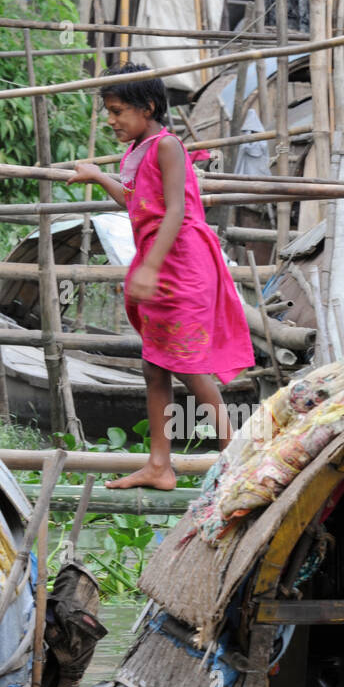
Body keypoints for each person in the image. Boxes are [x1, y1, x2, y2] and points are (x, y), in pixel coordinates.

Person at [66, 64, 254, 490]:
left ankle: (237, 457)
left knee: (187, 366)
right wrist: (99, 176)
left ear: (147, 106)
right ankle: (159, 464)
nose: (111, 120)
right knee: (155, 367)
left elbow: (176, 211)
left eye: (117, 111)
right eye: (109, 112)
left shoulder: (167, 145)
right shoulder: (135, 150)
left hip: (181, 265)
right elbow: (135, 203)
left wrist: (150, 267)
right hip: (159, 262)